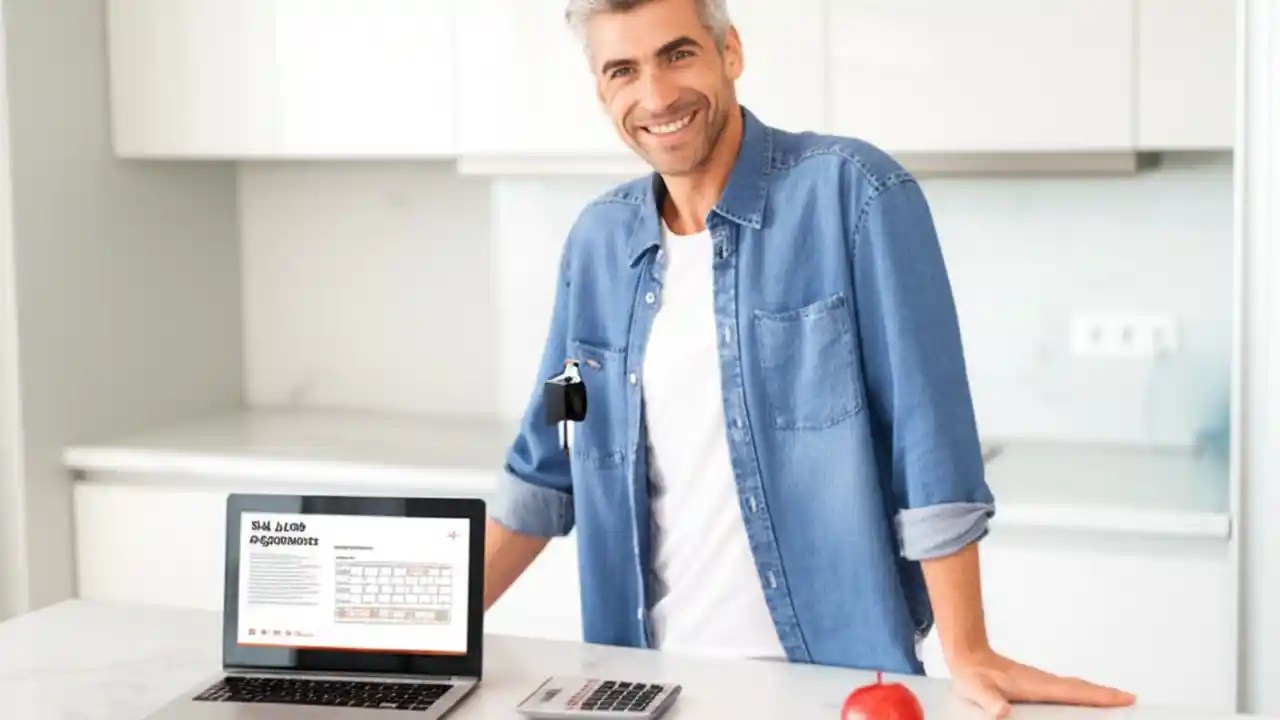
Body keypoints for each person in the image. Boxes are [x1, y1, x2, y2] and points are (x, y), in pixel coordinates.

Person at [482, 0, 1137, 716]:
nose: (658, 95)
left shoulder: (853, 194)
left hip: (826, 685)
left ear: (730, 51)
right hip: (643, 685)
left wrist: (967, 651)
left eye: (678, 55)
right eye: (623, 70)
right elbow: (551, 454)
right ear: (602, 91)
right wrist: (427, 643)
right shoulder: (596, 246)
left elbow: (930, 439)